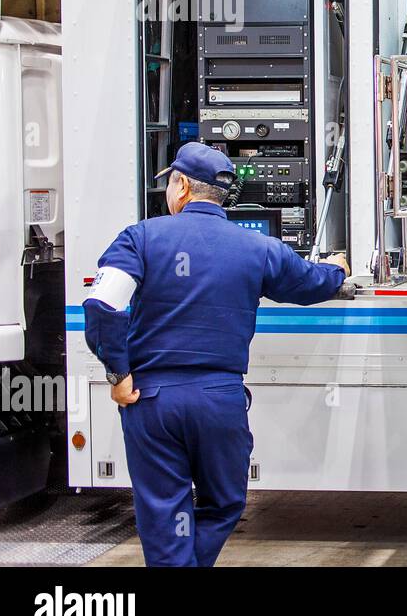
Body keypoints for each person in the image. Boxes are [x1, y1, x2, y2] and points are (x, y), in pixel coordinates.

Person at [82, 142, 350, 566]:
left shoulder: (141, 238)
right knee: (224, 502)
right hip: (219, 401)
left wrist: (119, 374)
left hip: (152, 402)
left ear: (182, 185)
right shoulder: (257, 248)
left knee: (165, 514)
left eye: (170, 183)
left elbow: (102, 306)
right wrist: (337, 269)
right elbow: (309, 283)